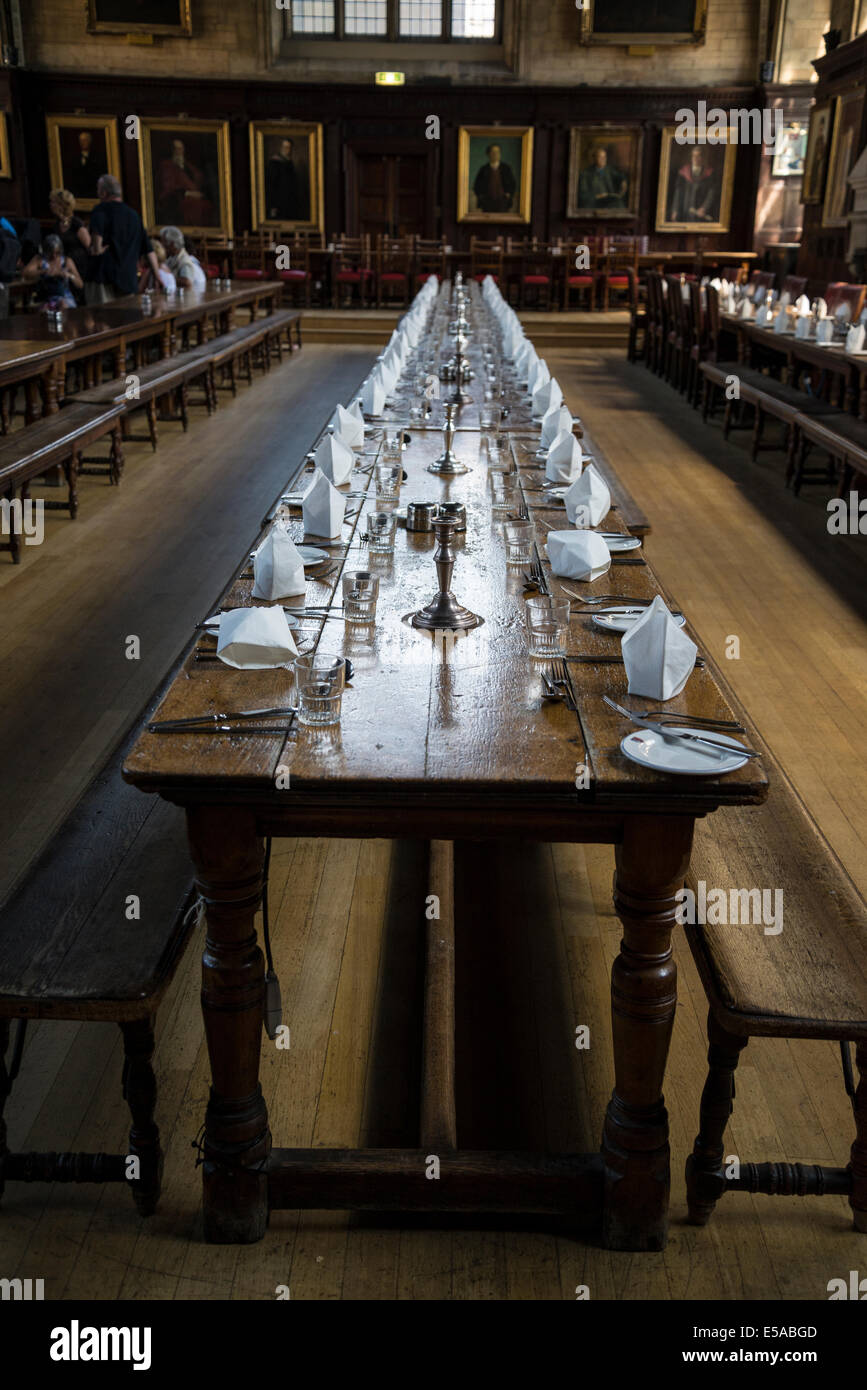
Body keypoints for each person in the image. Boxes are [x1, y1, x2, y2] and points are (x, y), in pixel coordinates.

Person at [86, 173, 160, 303]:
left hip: (104, 278)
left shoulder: (100, 210)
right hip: (128, 279)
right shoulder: (134, 215)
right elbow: (149, 249)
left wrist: (96, 250)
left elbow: (97, 246)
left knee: (102, 319)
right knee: (126, 320)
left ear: (103, 193)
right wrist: (158, 276)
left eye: (98, 189)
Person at [156, 139, 213, 225]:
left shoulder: (188, 166)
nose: (179, 151)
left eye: (181, 148)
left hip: (192, 198)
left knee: (207, 206)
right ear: (172, 150)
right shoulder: (166, 165)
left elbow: (198, 180)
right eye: (176, 149)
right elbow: (168, 188)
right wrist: (187, 193)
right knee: (194, 206)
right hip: (177, 199)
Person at [21, 233, 82, 309]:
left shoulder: (67, 261)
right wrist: (44, 271)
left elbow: (80, 284)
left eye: (57, 253)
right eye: (51, 253)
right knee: (44, 310)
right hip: (45, 297)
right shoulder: (40, 260)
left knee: (63, 305)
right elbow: (25, 273)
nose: (54, 256)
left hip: (64, 297)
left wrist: (70, 275)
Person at [48, 188, 91, 292]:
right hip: (64, 267)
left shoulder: (77, 224)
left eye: (53, 202)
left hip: (80, 267)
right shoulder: (56, 225)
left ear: (61, 205)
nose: (50, 205)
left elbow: (89, 247)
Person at [669, 147, 719, 223]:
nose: (695, 158)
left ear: (702, 158)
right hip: (685, 211)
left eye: (698, 156)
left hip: (700, 213)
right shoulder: (683, 172)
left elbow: (711, 193)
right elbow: (678, 192)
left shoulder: (709, 173)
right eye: (694, 156)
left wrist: (704, 208)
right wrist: (675, 210)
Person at [266, 138, 308, 221]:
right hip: (278, 200)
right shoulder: (274, 162)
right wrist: (273, 205)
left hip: (290, 200)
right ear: (281, 148)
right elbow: (271, 185)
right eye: (285, 147)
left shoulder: (289, 162)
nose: (287, 150)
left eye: (289, 148)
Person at [578, 144, 628, 211]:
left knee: (619, 205)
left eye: (604, 157)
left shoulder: (608, 170)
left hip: (609, 202)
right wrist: (598, 196)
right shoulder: (585, 174)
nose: (603, 160)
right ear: (594, 158)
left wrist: (623, 181)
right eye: (600, 157)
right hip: (594, 204)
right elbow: (582, 196)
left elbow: (620, 176)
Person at [472, 143, 517, 215]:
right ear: (488, 154)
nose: (495, 154)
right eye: (493, 152)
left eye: (498, 152)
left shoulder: (506, 168)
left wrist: (508, 194)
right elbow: (476, 185)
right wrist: (481, 196)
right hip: (487, 202)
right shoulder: (484, 169)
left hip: (503, 202)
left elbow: (512, 183)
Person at [159, 225, 206, 291]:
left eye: (163, 242)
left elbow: (187, 281)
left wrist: (167, 277)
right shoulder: (171, 257)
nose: (162, 245)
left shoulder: (184, 260)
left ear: (172, 244)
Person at [65, 130, 100, 202]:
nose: (83, 143)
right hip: (78, 194)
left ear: (89, 141)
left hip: (92, 194)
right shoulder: (74, 158)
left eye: (85, 140)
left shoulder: (97, 158)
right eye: (81, 140)